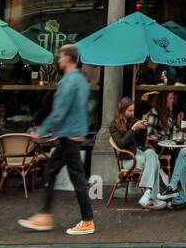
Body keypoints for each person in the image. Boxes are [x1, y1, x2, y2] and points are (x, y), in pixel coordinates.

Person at [18, 44, 95, 236]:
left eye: (60, 56)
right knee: (51, 172)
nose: (58, 60)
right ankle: (44, 216)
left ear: (68, 58)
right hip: (71, 134)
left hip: (68, 135)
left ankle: (87, 220)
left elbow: (60, 111)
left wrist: (41, 131)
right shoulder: (82, 81)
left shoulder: (69, 82)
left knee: (76, 178)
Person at [108, 97, 169, 209]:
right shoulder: (114, 125)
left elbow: (140, 143)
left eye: (133, 110)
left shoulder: (134, 120)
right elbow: (121, 143)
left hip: (139, 153)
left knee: (151, 153)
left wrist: (143, 129)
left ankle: (148, 193)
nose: (132, 113)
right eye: (129, 111)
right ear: (122, 110)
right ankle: (153, 198)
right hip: (129, 159)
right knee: (155, 161)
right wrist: (132, 129)